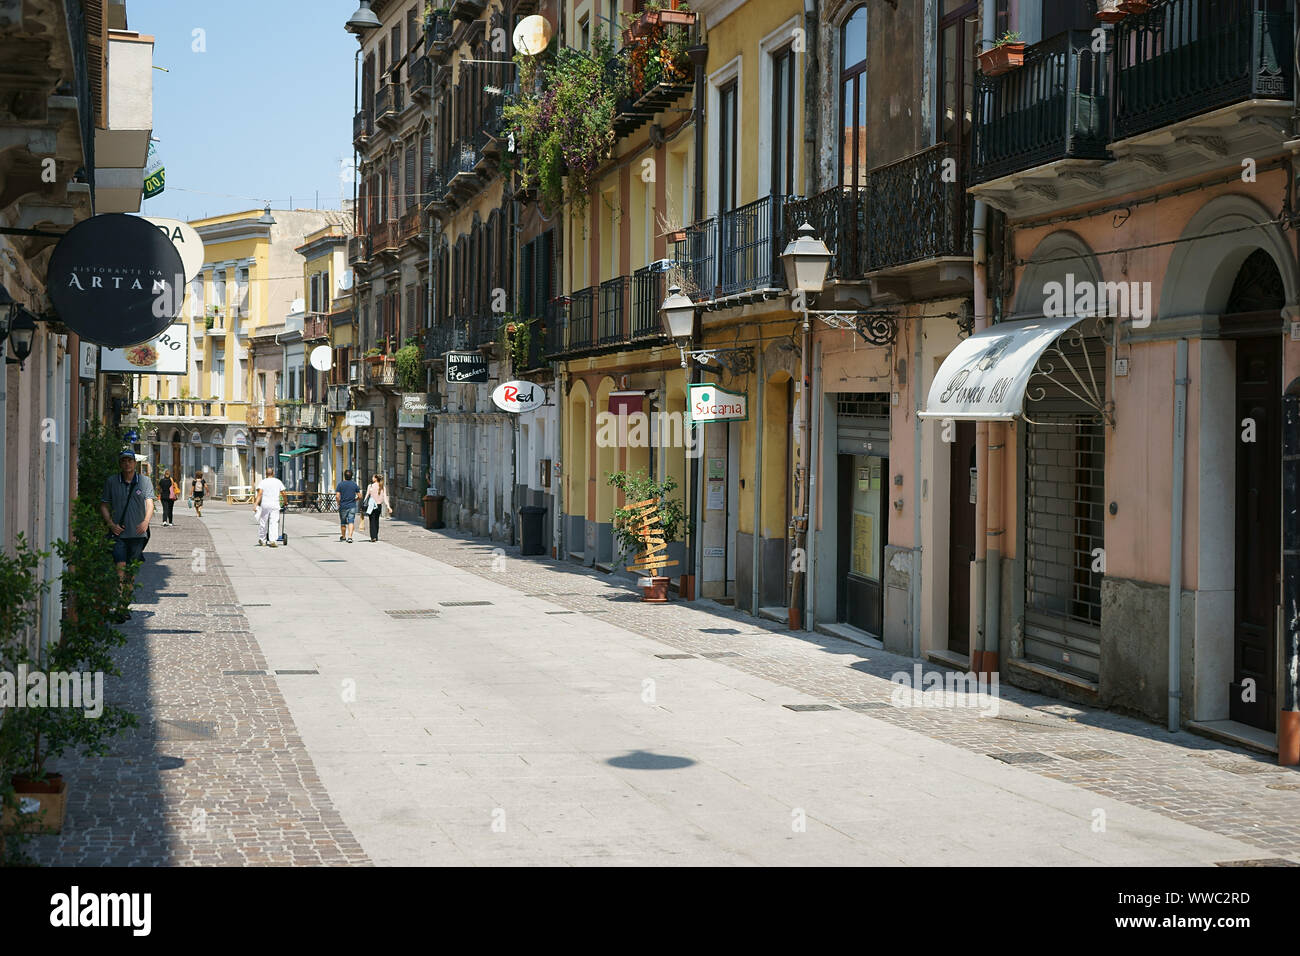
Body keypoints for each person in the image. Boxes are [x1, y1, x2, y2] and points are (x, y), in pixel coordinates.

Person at [100, 448, 154, 620]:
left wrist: (146, 522)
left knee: (130, 572)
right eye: (124, 461)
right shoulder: (112, 482)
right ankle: (120, 607)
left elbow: (150, 503)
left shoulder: (144, 482)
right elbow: (103, 505)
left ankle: (124, 605)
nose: (127, 463)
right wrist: (111, 524)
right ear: (120, 463)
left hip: (137, 535)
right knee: (120, 570)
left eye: (129, 461)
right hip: (118, 535)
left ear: (135, 463)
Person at [253, 466, 286, 547]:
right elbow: (284, 493)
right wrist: (285, 502)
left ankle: (262, 540)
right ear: (273, 473)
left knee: (263, 522)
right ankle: (273, 540)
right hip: (275, 505)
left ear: (266, 474)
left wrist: (255, 504)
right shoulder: (278, 481)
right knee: (274, 522)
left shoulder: (263, 482)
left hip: (265, 505)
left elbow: (259, 494)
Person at [363, 473, 392, 542]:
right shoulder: (382, 487)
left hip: (371, 506)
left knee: (372, 521)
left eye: (373, 477)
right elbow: (385, 498)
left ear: (376, 479)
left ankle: (373, 537)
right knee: (376, 521)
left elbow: (366, 496)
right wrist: (388, 506)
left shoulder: (370, 486)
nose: (372, 478)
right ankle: (376, 535)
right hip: (379, 506)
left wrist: (363, 504)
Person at [335, 469, 361, 543]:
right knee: (351, 521)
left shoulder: (340, 484)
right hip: (352, 505)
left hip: (343, 505)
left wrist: (338, 502)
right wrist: (355, 500)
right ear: (352, 476)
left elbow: (337, 496)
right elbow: (360, 496)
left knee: (343, 522)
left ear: (344, 476)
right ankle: (350, 537)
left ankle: (343, 537)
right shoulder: (354, 484)